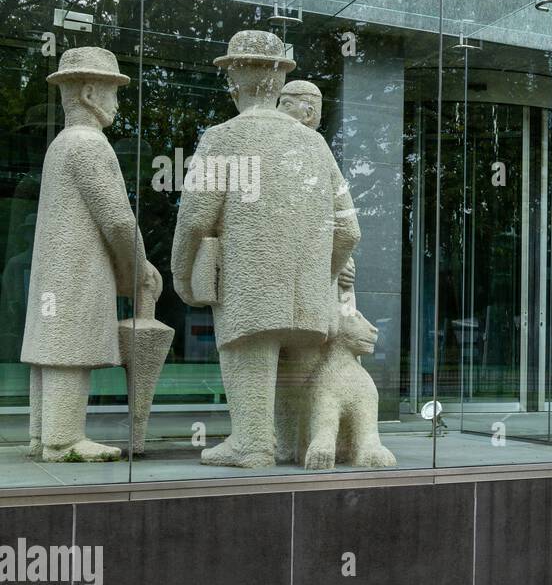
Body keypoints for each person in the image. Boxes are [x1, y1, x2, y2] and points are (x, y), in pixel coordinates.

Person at [172, 31, 360, 468]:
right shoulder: (315, 145)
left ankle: (252, 443)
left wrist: (182, 274)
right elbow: (349, 230)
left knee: (249, 356)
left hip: (249, 294)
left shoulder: (221, 138)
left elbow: (196, 219)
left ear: (235, 79)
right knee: (297, 406)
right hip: (310, 302)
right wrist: (324, 275)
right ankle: (295, 446)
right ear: (278, 84)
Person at [22, 47, 162, 462]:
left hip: (55, 269)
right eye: (112, 93)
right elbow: (117, 219)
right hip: (76, 268)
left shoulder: (61, 144)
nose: (116, 103)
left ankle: (42, 435)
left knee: (51, 347)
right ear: (88, 94)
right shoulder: (90, 144)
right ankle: (63, 440)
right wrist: (140, 266)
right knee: (68, 347)